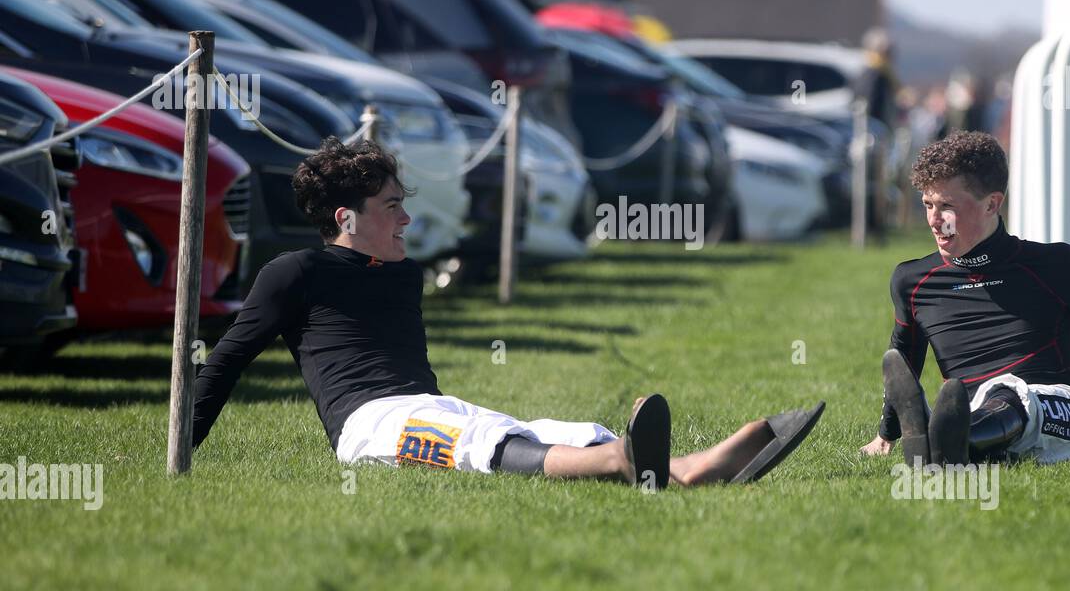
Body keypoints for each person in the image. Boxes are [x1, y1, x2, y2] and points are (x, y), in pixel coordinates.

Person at [191, 138, 824, 489]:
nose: (407, 218)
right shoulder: (292, 274)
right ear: (346, 218)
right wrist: (180, 452)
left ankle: (686, 469)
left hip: (431, 406)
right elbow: (225, 363)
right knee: (480, 446)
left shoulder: (402, 274)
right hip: (369, 428)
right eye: (392, 206)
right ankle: (627, 463)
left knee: (545, 430)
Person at [860, 131, 1070, 467]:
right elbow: (903, 363)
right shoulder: (913, 281)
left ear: (992, 203)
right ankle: (951, 442)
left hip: (1066, 414)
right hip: (975, 413)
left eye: (947, 206)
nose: (934, 220)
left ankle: (950, 441)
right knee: (984, 406)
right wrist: (885, 435)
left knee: (1014, 397)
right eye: (928, 205)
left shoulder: (1058, 264)